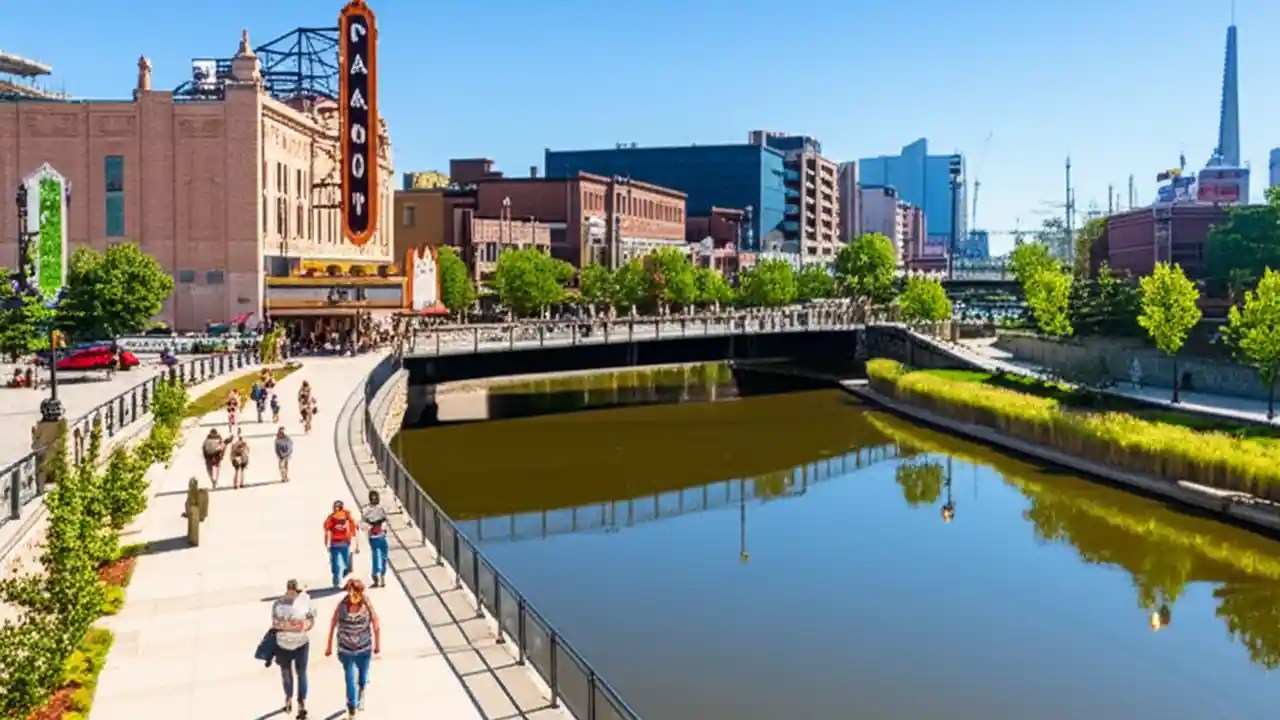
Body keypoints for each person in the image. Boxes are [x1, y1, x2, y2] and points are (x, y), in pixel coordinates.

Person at [325, 578, 380, 718]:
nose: (355, 596)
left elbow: (375, 623)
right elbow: (333, 622)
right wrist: (329, 645)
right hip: (346, 649)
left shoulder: (366, 603)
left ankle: (362, 689)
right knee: (349, 678)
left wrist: (377, 645)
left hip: (364, 648)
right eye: (352, 592)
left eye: (358, 593)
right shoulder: (342, 605)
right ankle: (352, 707)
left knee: (362, 675)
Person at [271, 579, 315, 719]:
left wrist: (302, 625)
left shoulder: (305, 601)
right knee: (287, 674)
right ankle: (289, 697)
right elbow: (276, 624)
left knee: (300, 673)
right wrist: (296, 626)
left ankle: (301, 703)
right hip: (283, 645)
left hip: (300, 644)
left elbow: (311, 620)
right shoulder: (278, 604)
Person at [323, 501, 359, 588]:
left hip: (345, 543)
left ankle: (345, 573)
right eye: (335, 507)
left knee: (346, 563)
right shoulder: (331, 518)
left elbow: (354, 528)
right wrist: (327, 543)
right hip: (334, 544)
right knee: (336, 564)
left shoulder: (347, 517)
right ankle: (336, 579)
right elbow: (326, 529)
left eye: (338, 507)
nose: (336, 509)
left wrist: (356, 544)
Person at [361, 491, 389, 588]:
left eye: (376, 498)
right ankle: (376, 575)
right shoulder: (366, 509)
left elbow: (385, 519)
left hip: (382, 536)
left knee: (384, 557)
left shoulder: (381, 508)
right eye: (373, 498)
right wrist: (370, 526)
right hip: (374, 537)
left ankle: (381, 575)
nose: (375, 500)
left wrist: (384, 528)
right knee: (377, 556)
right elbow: (364, 522)